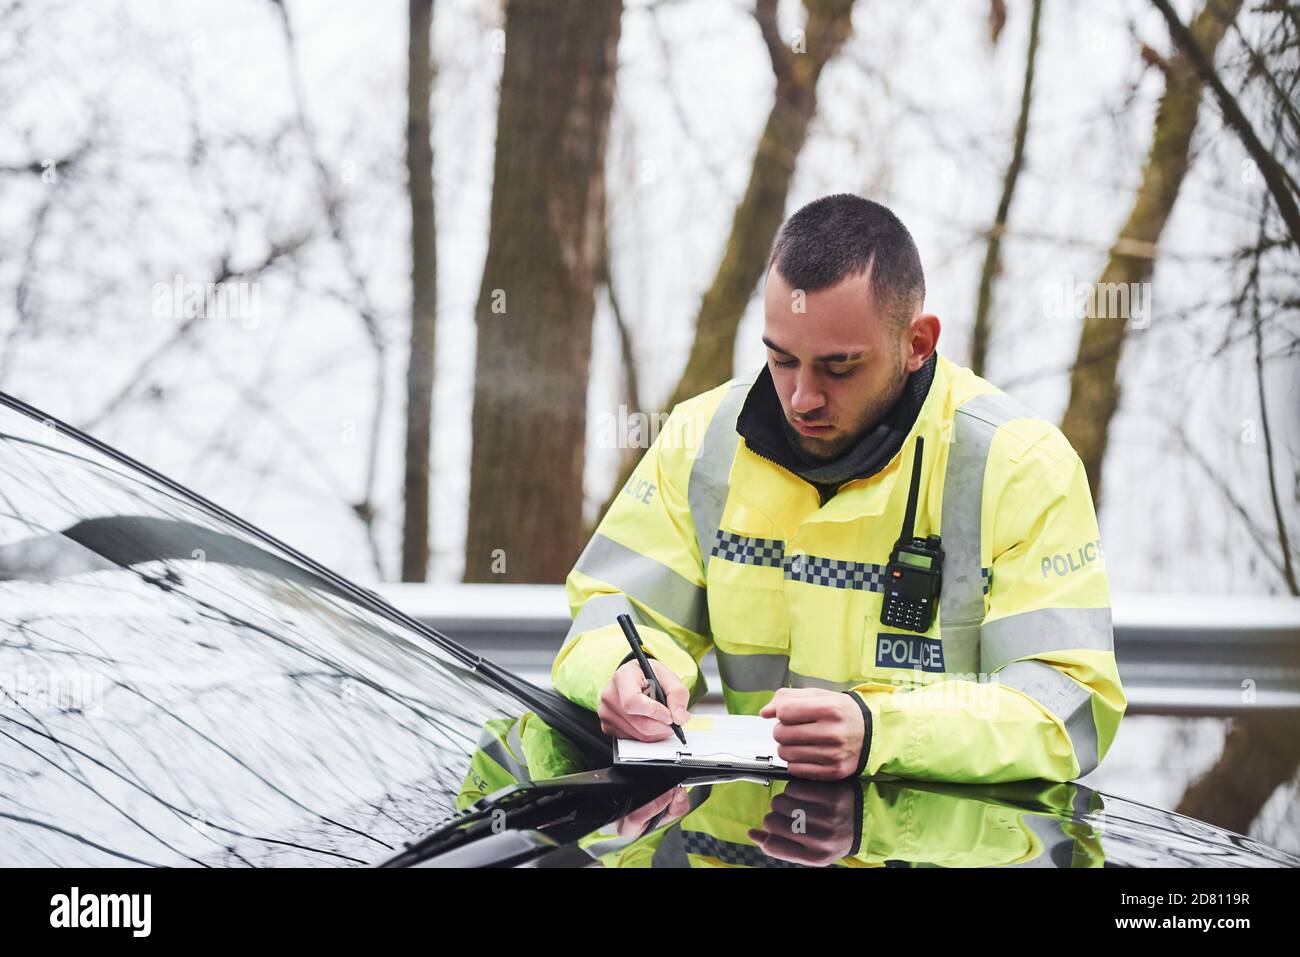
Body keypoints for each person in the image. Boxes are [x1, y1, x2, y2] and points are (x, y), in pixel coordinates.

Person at [551, 193, 1125, 783]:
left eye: (839, 367)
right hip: (753, 839)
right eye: (781, 360)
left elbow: (1068, 701)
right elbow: (614, 609)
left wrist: (881, 729)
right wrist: (623, 668)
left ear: (918, 343)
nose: (802, 398)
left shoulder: (1022, 465)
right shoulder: (700, 443)